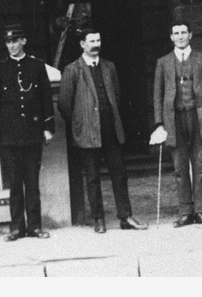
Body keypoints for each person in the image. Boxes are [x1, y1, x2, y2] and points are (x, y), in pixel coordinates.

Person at [58, 27, 147, 233]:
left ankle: (126, 217)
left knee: (120, 174)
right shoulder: (73, 70)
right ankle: (98, 219)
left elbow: (116, 95)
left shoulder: (109, 67)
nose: (96, 44)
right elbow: (64, 104)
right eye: (91, 41)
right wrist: (81, 123)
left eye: (98, 40)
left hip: (111, 129)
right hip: (88, 132)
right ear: (82, 44)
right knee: (92, 176)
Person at [0, 24, 54, 241]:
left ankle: (34, 227)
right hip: (9, 138)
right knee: (15, 183)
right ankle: (16, 228)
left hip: (32, 135)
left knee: (32, 183)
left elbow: (45, 99)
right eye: (8, 42)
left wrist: (47, 127)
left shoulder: (36, 66)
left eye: (15, 41)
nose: (12, 46)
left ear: (24, 41)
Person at [149, 21, 202, 227]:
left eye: (183, 32)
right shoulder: (163, 62)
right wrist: (159, 124)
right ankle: (185, 211)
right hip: (174, 119)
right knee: (180, 167)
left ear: (190, 35)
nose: (180, 36)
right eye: (176, 33)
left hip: (199, 117)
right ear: (171, 37)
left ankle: (201, 211)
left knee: (200, 164)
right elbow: (157, 95)